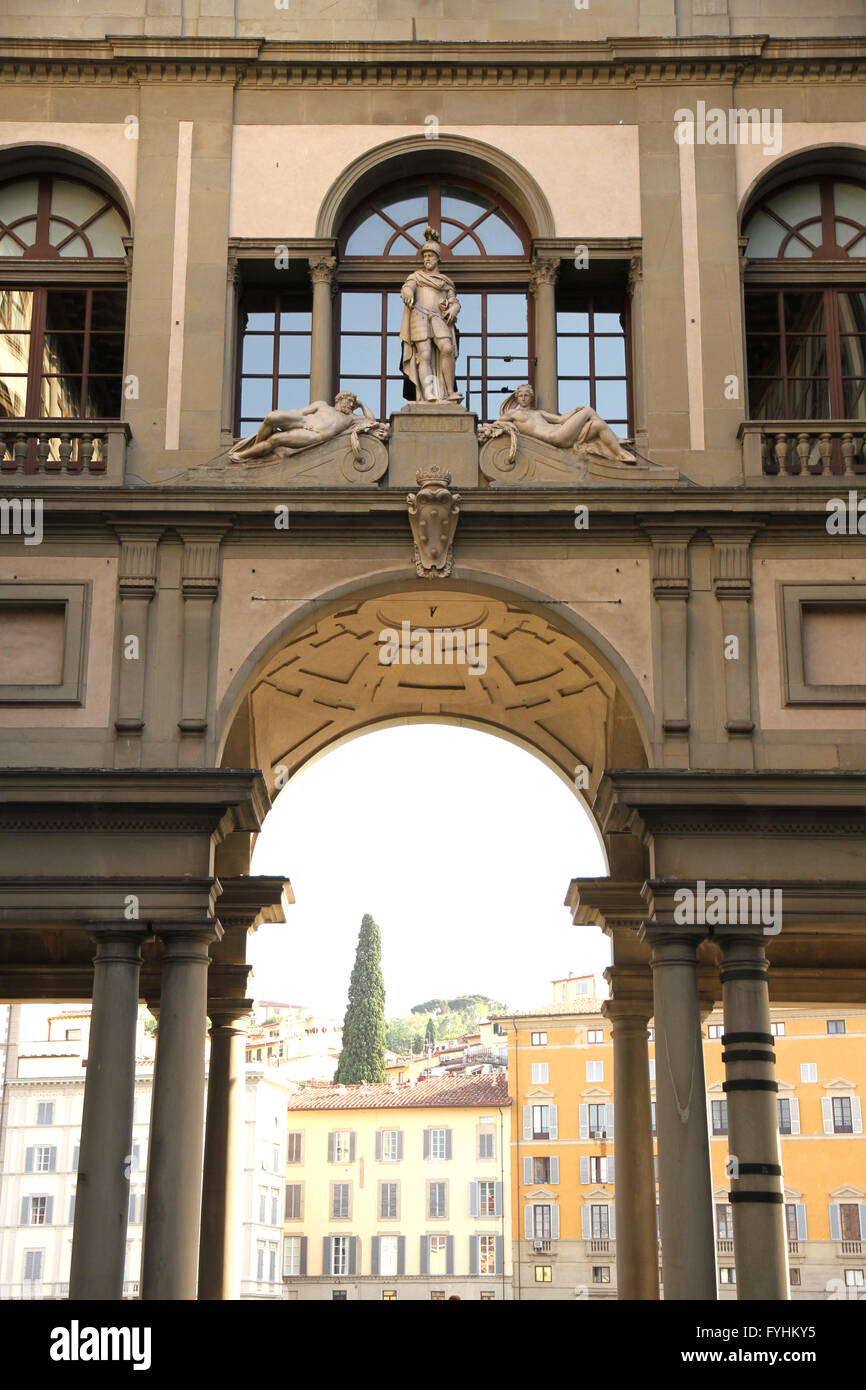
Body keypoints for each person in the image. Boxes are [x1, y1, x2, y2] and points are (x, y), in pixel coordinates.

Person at [399, 227, 462, 404]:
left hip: (438, 317)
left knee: (447, 348)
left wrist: (453, 309)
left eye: (431, 256)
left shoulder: (445, 281)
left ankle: (449, 391)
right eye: (425, 256)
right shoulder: (416, 276)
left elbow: (454, 301)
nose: (427, 259)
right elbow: (408, 287)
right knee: (424, 354)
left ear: (438, 258)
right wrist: (408, 293)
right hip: (418, 315)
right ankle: (429, 393)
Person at [497, 383, 635, 462]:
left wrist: (574, 411)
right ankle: (617, 441)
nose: (523, 398)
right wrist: (507, 426)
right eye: (521, 396)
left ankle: (619, 453)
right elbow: (496, 424)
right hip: (555, 437)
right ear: (517, 398)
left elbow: (560, 419)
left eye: (526, 395)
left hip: (561, 433)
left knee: (598, 425)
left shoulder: (538, 413)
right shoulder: (513, 413)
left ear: (531, 397)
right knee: (588, 410)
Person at [229, 391, 376, 463]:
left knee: (276, 439)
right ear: (339, 399)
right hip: (304, 421)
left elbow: (371, 420)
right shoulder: (322, 405)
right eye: (348, 400)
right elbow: (300, 412)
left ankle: (244, 456)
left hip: (316, 434)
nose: (350, 404)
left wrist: (362, 404)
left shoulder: (351, 418)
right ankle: (255, 449)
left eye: (352, 402)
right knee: (272, 417)